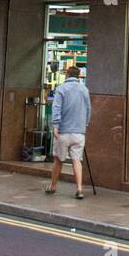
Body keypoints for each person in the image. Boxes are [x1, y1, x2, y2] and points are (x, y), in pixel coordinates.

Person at [45, 65, 91, 200]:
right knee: (77, 160)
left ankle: (53, 186)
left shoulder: (61, 89)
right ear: (78, 75)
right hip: (79, 131)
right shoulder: (84, 89)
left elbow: (57, 108)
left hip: (63, 131)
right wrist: (84, 125)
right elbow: (88, 110)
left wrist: (55, 126)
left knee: (58, 160)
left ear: (67, 75)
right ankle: (79, 189)